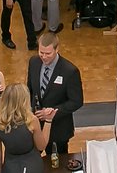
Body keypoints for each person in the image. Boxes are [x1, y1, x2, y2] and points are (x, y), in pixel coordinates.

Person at [28, 33, 84, 170]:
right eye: (41, 52)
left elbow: (77, 101)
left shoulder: (69, 71)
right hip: (36, 126)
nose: (44, 56)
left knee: (58, 165)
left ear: (57, 49)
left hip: (58, 130)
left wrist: (54, 112)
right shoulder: (34, 62)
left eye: (48, 53)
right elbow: (30, 88)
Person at [0, 82, 49, 173]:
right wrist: (48, 121)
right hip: (33, 165)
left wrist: (1, 169)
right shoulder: (31, 120)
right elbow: (41, 146)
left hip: (10, 166)